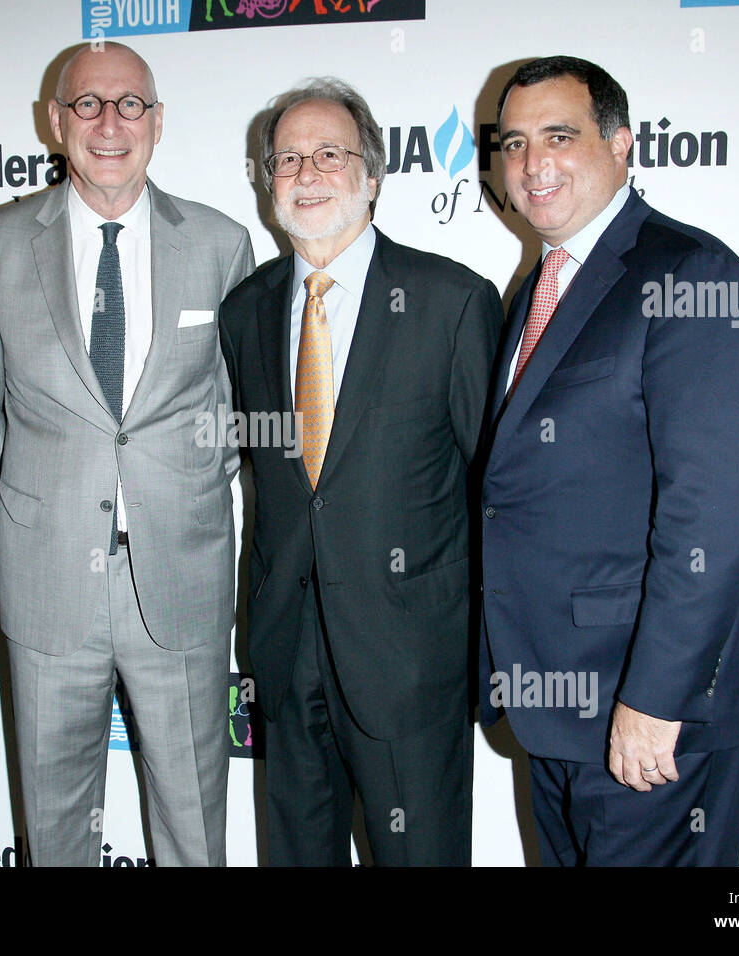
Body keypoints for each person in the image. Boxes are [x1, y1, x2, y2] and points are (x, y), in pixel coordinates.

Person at [0, 42, 254, 867]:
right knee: (55, 832)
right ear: (55, 121)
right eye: (88, 104)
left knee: (194, 827)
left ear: (158, 122)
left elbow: (230, 412)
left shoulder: (222, 245)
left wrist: (174, 494)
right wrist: (52, 491)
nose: (109, 123)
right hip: (47, 578)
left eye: (131, 105)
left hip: (181, 582)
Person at [478, 56, 739, 866]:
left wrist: (654, 699)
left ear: (621, 144)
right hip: (555, 705)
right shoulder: (536, 290)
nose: (533, 163)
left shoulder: (691, 274)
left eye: (559, 136)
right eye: (513, 142)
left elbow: (712, 517)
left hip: (650, 718)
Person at [218, 78, 503, 865]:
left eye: (330, 155)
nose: (306, 174)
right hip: (285, 653)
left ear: (372, 176)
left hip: (410, 662)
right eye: (287, 159)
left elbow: (495, 495)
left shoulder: (451, 302)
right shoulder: (246, 310)